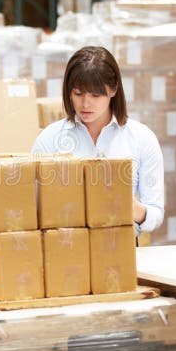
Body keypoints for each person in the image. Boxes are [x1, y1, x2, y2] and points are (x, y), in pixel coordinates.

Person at [32, 45, 164, 236]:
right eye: (78, 93)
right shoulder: (49, 139)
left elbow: (155, 213)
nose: (85, 104)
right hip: (64, 250)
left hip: (119, 249)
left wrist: (131, 207)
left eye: (95, 95)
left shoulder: (142, 139)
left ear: (113, 89)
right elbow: (33, 207)